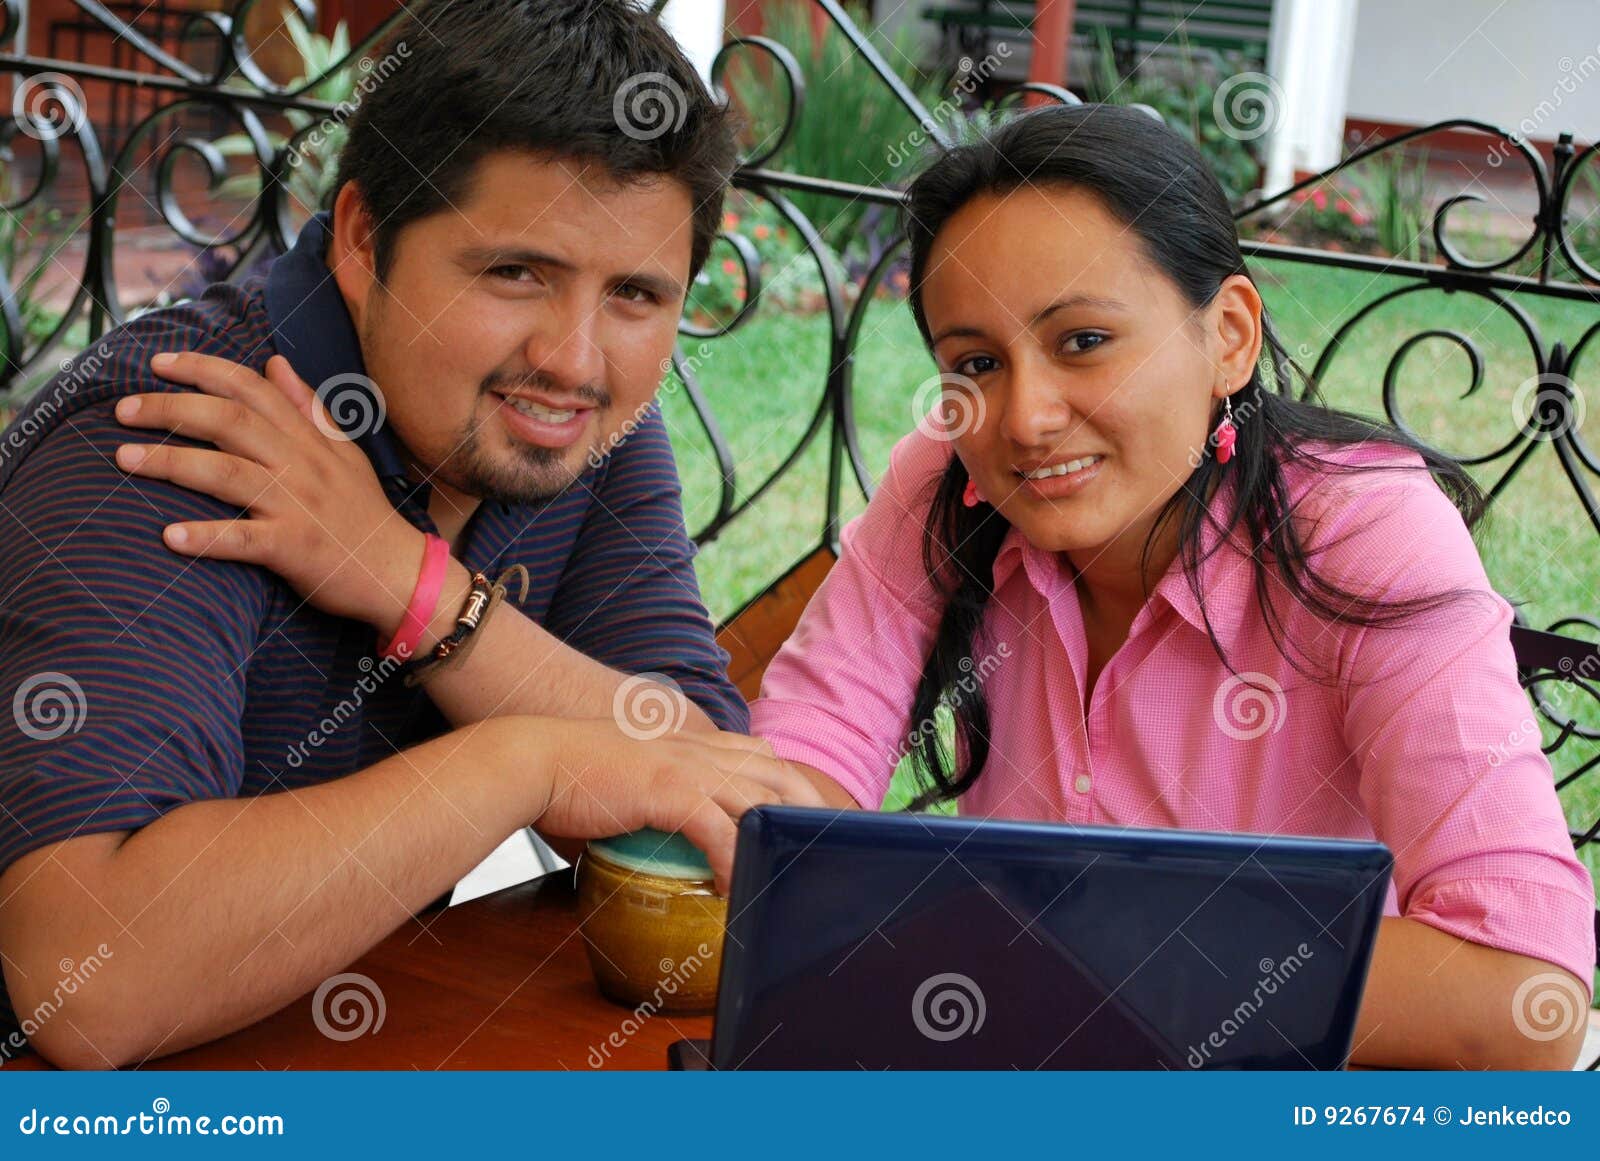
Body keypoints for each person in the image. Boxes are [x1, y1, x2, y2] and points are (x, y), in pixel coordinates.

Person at [0, 0, 818, 1070]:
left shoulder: (571, 427)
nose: (573, 360)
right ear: (361, 239)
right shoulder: (176, 432)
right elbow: (88, 984)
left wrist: (414, 591)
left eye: (634, 294)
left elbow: (709, 798)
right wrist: (529, 759)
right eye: (514, 272)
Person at [748, 104, 1596, 1070]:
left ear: (1228, 335)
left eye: (1083, 342)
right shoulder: (949, 478)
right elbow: (791, 801)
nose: (1024, 417)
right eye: (976, 363)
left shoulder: (1364, 528)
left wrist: (1068, 946)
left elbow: (1524, 996)